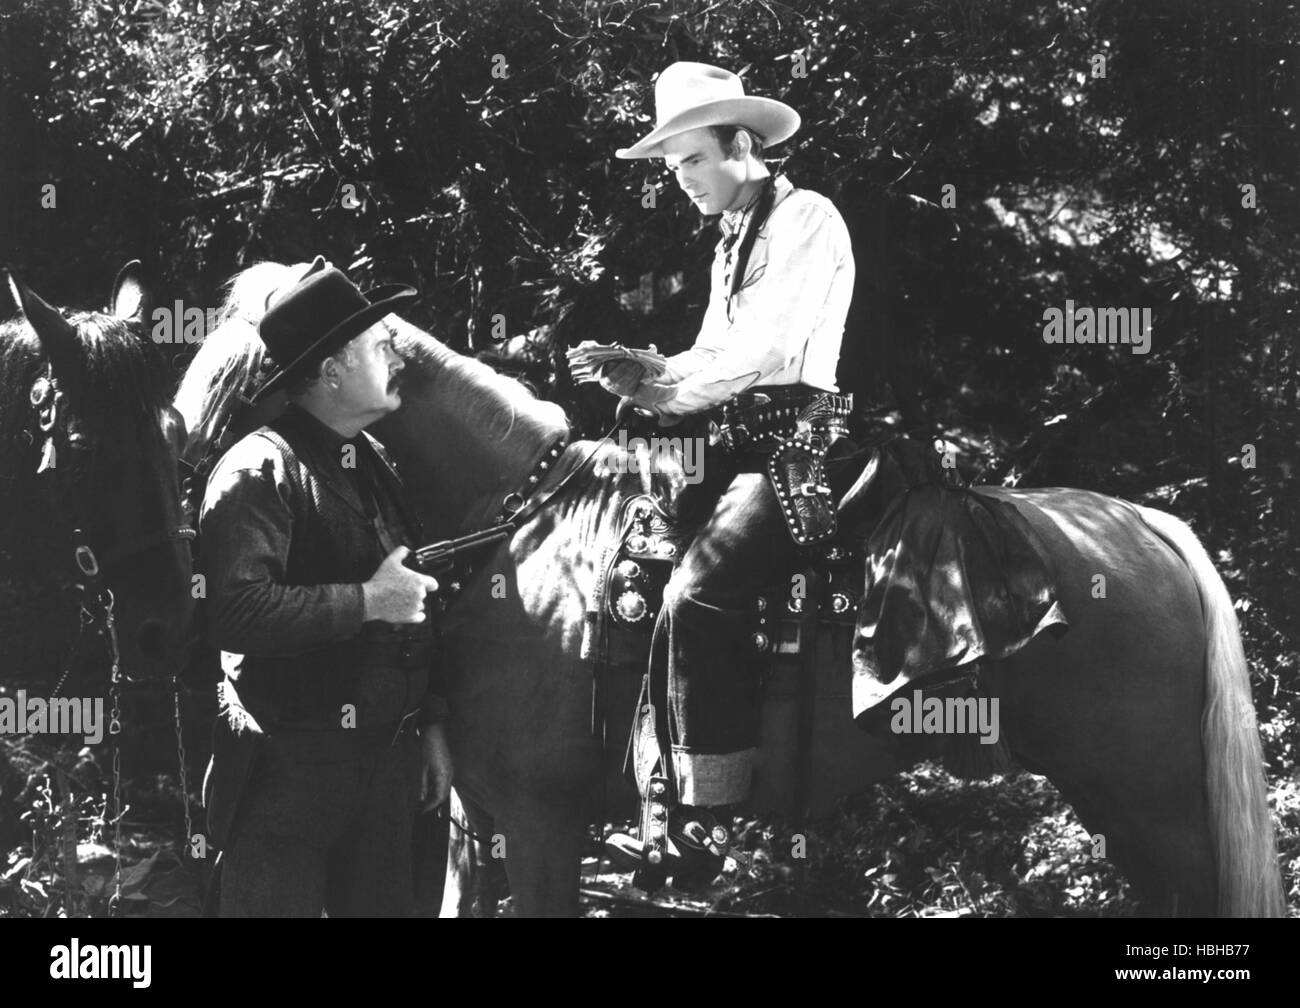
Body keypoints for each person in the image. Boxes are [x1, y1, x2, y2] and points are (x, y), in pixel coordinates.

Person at [600, 62, 856, 883]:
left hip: (799, 443)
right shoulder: (730, 239)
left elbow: (765, 353)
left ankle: (721, 822)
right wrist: (644, 371)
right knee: (626, 562)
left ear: (743, 144)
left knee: (698, 592)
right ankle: (646, 800)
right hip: (733, 439)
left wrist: (665, 385)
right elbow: (712, 353)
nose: (683, 183)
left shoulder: (807, 217)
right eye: (674, 169)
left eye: (694, 161)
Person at [199, 259, 453, 916]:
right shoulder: (259, 467)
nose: (395, 350)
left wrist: (429, 726)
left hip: (384, 771)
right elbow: (234, 612)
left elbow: (415, 602)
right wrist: (367, 601)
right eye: (376, 343)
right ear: (334, 368)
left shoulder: (374, 463)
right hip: (287, 780)